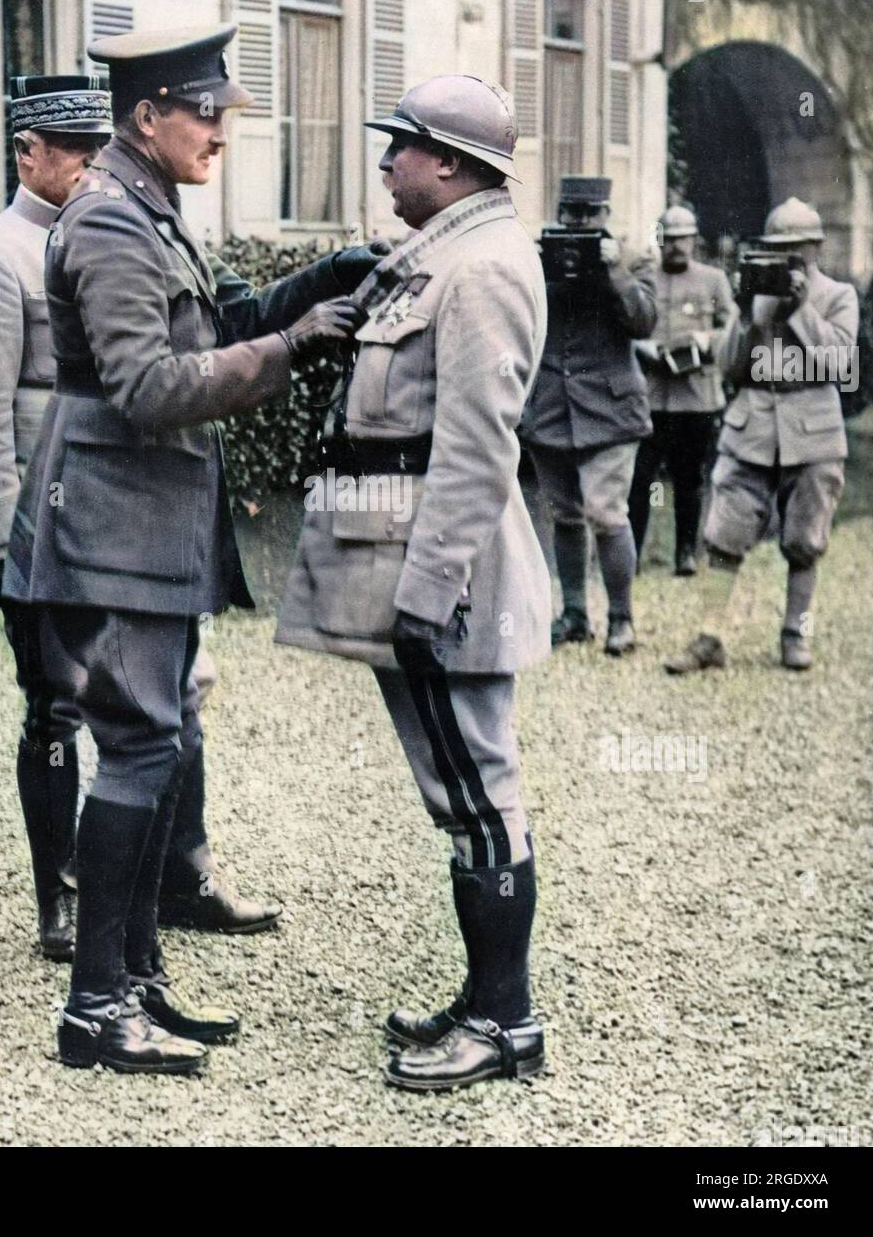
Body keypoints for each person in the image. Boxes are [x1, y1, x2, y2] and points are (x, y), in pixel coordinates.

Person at [3, 25, 385, 1074]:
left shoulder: (148, 208)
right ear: (146, 115)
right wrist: (296, 345)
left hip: (142, 521)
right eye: (204, 111)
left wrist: (316, 284)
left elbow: (211, 331)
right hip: (112, 521)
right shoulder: (112, 222)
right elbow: (148, 387)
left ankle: (134, 984)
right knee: (134, 747)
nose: (220, 130)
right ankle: (94, 1008)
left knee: (155, 739)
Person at [276, 75, 552, 1090]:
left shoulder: (479, 269)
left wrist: (428, 593)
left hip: (448, 572)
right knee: (464, 795)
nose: (386, 162)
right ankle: (486, 1002)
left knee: (480, 796)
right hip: (418, 559)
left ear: (446, 162)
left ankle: (504, 1023)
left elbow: (477, 448)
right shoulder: (442, 256)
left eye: (399, 146)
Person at [0, 75, 112, 962]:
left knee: (155, 702)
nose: (88, 164)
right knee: (55, 711)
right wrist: (12, 545)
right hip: (40, 535)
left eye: (96, 148)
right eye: (70, 148)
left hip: (116, 524)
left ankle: (175, 874)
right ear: (26, 152)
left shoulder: (109, 241)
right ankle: (61, 901)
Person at [664, 198, 858, 674]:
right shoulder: (757, 294)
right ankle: (710, 638)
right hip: (751, 428)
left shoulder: (837, 296)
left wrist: (798, 309)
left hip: (812, 429)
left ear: (815, 248)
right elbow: (729, 365)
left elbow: (840, 364)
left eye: (798, 249)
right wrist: (749, 316)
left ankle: (796, 634)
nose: (789, 258)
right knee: (723, 535)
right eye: (779, 249)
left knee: (805, 540)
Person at [518, 176, 656, 656]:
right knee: (564, 515)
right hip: (551, 406)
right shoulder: (540, 258)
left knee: (606, 512)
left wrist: (613, 270)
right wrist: (537, 266)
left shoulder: (634, 258)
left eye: (588, 214)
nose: (577, 223)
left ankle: (621, 618)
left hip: (610, 409)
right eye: (569, 213)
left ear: (605, 215)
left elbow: (644, 321)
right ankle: (574, 613)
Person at [628, 205, 736, 575]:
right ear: (660, 240)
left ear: (694, 240)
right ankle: (633, 556)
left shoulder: (714, 280)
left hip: (696, 398)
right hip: (650, 396)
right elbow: (627, 327)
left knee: (689, 479)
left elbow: (733, 331)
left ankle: (686, 553)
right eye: (669, 238)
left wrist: (706, 340)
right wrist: (643, 348)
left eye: (683, 238)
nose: (676, 245)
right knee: (640, 480)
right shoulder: (644, 280)